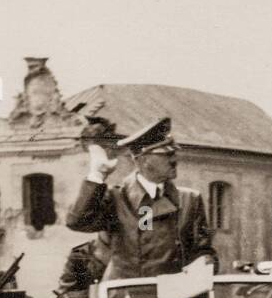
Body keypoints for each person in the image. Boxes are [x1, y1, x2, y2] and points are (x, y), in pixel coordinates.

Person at [65, 116, 216, 280]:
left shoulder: (189, 200)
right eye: (166, 154)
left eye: (173, 152)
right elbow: (77, 222)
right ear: (143, 160)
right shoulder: (116, 199)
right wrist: (97, 174)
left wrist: (206, 261)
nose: (174, 160)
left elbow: (203, 250)